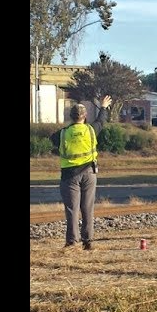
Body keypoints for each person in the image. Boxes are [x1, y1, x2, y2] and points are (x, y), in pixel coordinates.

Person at [54, 103, 99, 250]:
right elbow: (101, 122)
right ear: (85, 116)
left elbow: (53, 140)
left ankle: (72, 241)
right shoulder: (91, 130)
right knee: (87, 208)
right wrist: (104, 107)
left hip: (69, 175)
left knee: (72, 209)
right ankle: (88, 241)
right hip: (89, 173)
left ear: (70, 116)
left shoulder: (62, 133)